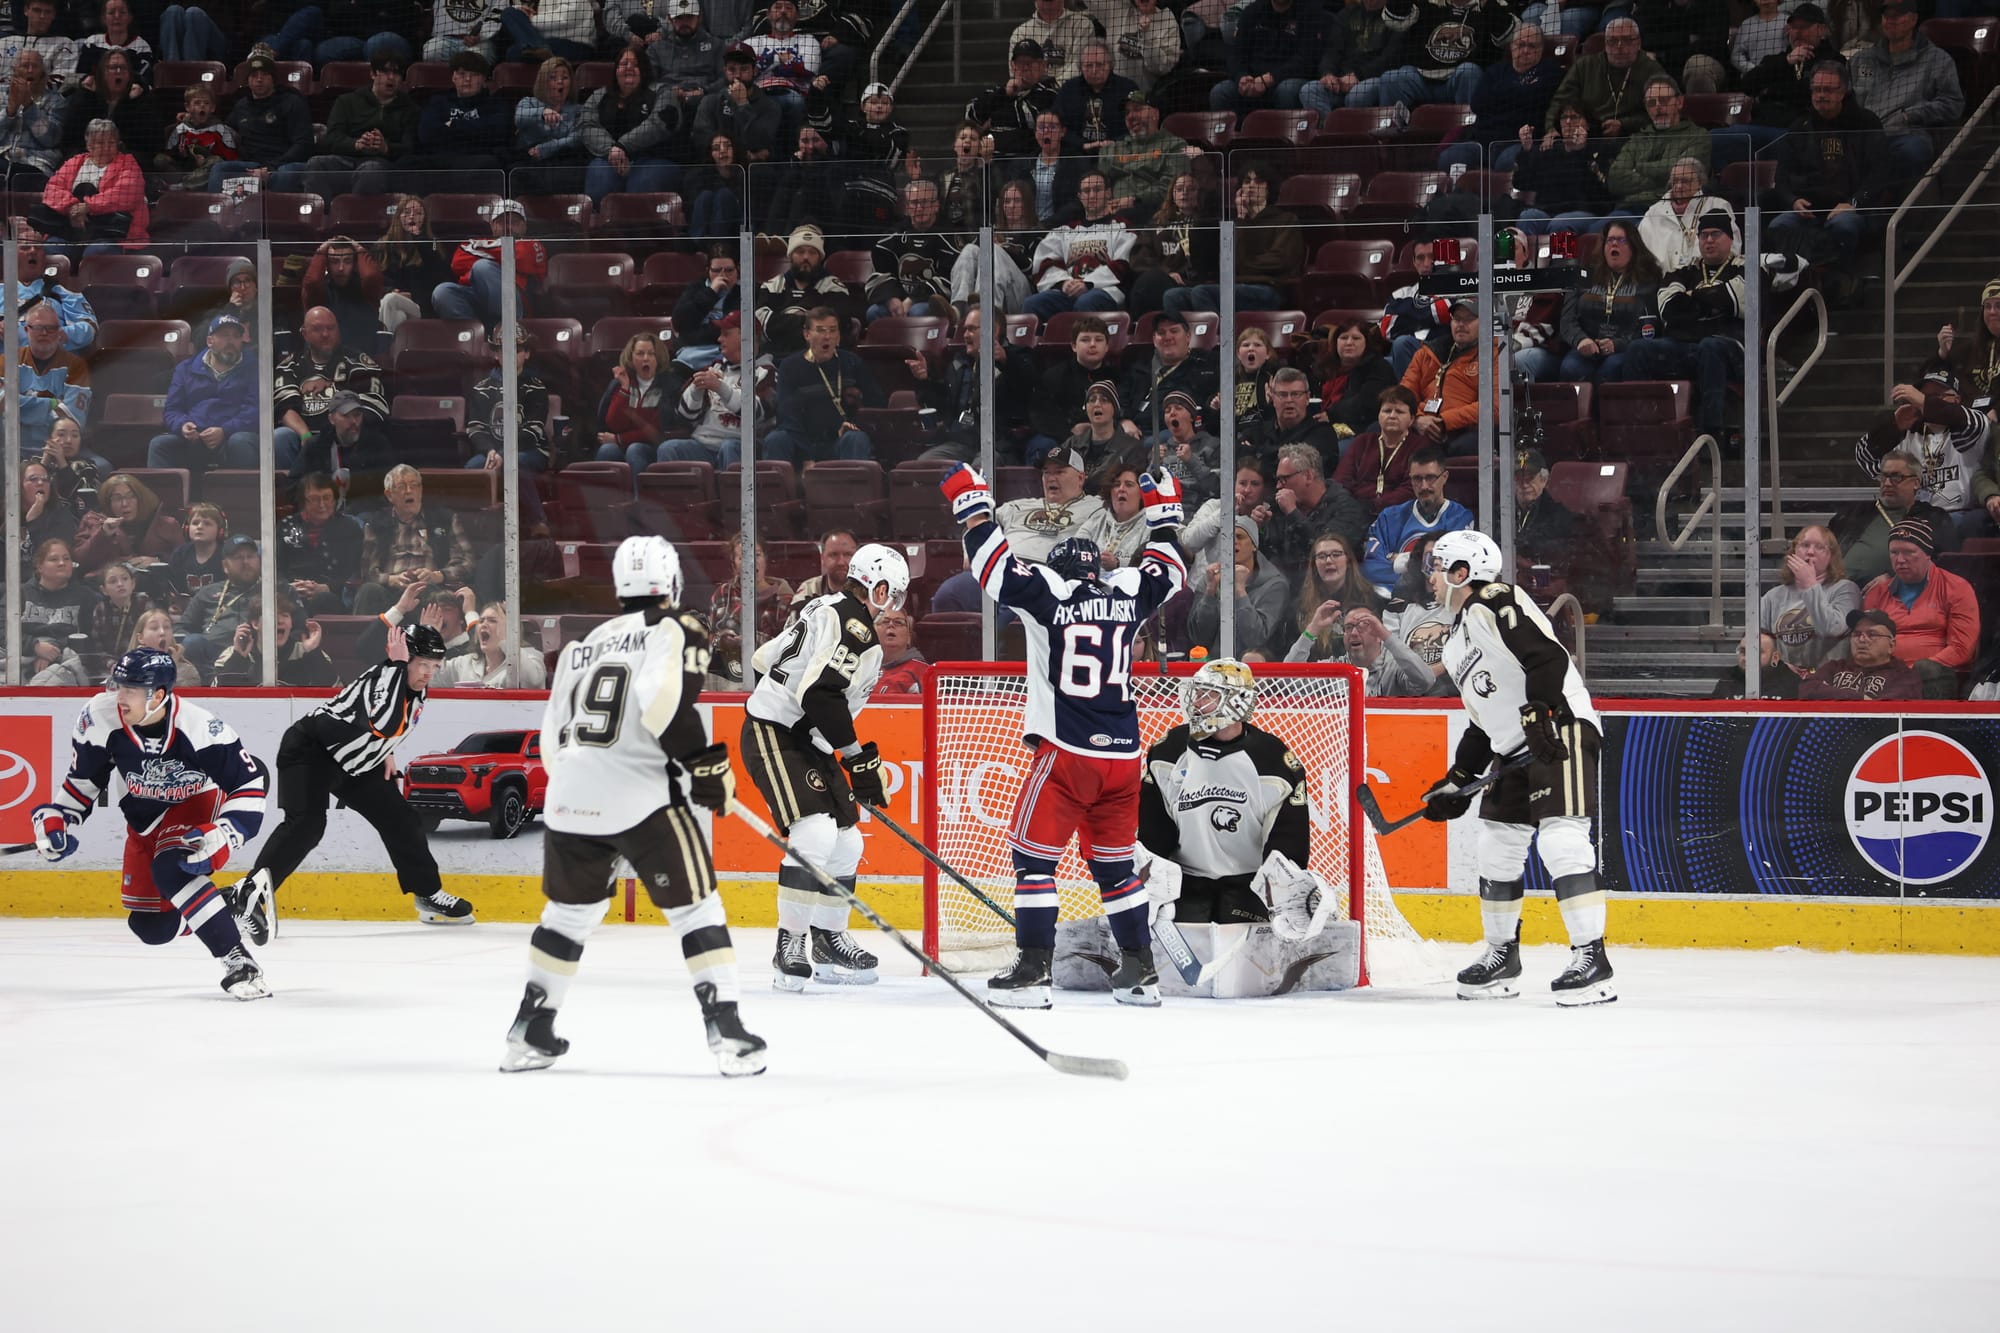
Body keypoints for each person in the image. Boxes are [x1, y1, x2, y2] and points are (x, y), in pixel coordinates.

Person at [500, 535, 762, 1074]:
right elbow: (661, 703)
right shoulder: (677, 627)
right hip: (641, 798)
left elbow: (553, 738)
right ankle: (728, 1032)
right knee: (697, 909)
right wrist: (706, 767)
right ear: (670, 582)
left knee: (568, 916)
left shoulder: (582, 644)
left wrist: (583, 785)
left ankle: (530, 1028)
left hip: (569, 797)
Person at [941, 462, 1189, 1007]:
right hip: (1125, 756)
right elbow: (1169, 570)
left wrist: (974, 505)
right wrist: (1164, 516)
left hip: (1068, 753)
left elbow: (992, 570)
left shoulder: (1049, 592)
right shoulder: (1125, 592)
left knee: (1033, 861)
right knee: (1113, 866)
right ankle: (1139, 968)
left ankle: (1033, 970)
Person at [1421, 529, 1613, 1004]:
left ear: (1460, 572)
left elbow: (1546, 656)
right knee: (1495, 848)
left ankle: (1593, 959)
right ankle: (1500, 956)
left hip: (1560, 727)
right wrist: (1457, 781)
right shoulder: (1453, 644)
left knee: (1562, 839)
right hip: (1513, 747)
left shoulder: (1493, 599)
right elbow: (1480, 726)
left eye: (1437, 565)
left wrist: (1542, 710)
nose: (1429, 576)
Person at [33, 649, 271, 999]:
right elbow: (84, 781)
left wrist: (226, 833)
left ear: (158, 695)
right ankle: (230, 902)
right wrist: (59, 818)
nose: (120, 697)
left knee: (171, 868)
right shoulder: (99, 717)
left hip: (195, 804)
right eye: (119, 686)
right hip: (143, 817)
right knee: (153, 928)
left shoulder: (199, 726)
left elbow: (250, 784)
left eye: (131, 690)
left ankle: (239, 963)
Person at [740, 543, 908, 990]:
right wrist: (855, 755)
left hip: (807, 738)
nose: (893, 603)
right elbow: (819, 696)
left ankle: (828, 939)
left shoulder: (822, 604)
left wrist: (829, 740)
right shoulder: (855, 626)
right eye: (894, 592)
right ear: (880, 586)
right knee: (813, 832)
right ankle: (789, 942)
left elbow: (763, 658)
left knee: (848, 842)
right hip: (775, 732)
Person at [228, 622, 460, 944]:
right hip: (309, 750)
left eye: (435, 666)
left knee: (401, 819)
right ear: (403, 657)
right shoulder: (385, 677)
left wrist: (387, 754)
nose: (428, 673)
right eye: (423, 664)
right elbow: (385, 722)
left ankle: (428, 894)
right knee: (307, 825)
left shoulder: (414, 687)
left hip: (354, 763)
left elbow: (391, 729)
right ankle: (248, 893)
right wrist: (394, 664)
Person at [1624, 209, 1745, 447]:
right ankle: (1641, 432)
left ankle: (1711, 437)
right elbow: (1669, 308)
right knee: (1639, 349)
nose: (1709, 240)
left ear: (1730, 238)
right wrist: (1712, 303)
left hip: (1731, 348)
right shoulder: (1683, 271)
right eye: (1704, 235)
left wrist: (1691, 299)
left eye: (1716, 234)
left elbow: (1737, 301)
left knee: (1710, 347)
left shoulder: (1745, 268)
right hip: (1686, 345)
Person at [1853, 364, 1992, 538]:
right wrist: (1893, 427)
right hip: (1915, 518)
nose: (1922, 401)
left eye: (1936, 395)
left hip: (1959, 516)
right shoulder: (1909, 435)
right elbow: (1865, 458)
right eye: (1923, 396)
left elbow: (1965, 420)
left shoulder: (1968, 428)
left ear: (1956, 399)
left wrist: (1925, 403)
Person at [1520, 217, 1659, 385]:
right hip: (1586, 345)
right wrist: (1580, 340)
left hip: (1623, 347)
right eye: (1610, 240)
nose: (1614, 244)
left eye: (1621, 240)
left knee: (1611, 369)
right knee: (1571, 368)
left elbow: (1649, 325)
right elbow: (1567, 319)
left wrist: (1618, 344)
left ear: (1633, 247)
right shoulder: (1584, 276)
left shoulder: (1647, 279)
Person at [1847, 0, 1963, 192]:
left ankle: (1902, 211)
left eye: (1898, 15)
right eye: (1887, 16)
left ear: (1913, 19)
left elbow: (1953, 103)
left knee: (1912, 150)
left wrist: (1911, 115)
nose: (1891, 21)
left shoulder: (1937, 59)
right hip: (1864, 135)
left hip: (1906, 134)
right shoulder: (1861, 60)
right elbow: (1847, 102)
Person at [1859, 519, 1981, 694]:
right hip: (1885, 677)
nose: (1900, 560)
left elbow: (1962, 648)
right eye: (1894, 552)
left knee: (1926, 669)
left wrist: (1912, 672)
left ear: (1927, 554)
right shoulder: (1877, 594)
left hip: (1937, 677)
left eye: (1909, 552)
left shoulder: (1957, 588)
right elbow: (1866, 643)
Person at [1163, 164, 1299, 316]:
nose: (1251, 186)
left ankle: (1219, 338)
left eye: (1258, 181)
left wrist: (1240, 264)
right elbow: (1225, 260)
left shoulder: (1286, 219)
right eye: (1247, 182)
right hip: (1232, 285)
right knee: (1173, 296)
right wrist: (1241, 217)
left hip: (1267, 288)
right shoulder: (1235, 223)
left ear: (1269, 188)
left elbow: (1280, 260)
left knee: (1201, 292)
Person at [272, 305, 389, 474]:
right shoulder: (290, 365)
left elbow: (373, 408)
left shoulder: (358, 362)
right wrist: (305, 436)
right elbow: (284, 408)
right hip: (303, 438)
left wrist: (334, 434)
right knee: (280, 437)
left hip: (344, 437)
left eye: (331, 328)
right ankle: (291, 491)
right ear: (304, 334)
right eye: (318, 329)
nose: (326, 334)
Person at [146, 313, 260, 484]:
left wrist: (224, 430)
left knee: (241, 442)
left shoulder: (254, 368)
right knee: (160, 444)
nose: (231, 341)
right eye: (224, 336)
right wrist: (183, 425)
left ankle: (243, 504)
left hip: (232, 435)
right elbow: (172, 410)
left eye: (236, 336)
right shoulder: (185, 369)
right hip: (194, 437)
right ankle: (164, 505)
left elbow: (255, 410)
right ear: (209, 341)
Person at [1352, 0, 1522, 110]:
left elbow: (1509, 37)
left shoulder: (1493, 4)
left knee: (1469, 71)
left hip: (1460, 77)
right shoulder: (1429, 3)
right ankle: (1394, 138)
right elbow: (1394, 21)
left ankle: (1469, 131)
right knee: (1393, 78)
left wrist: (1488, 5)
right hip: (1421, 78)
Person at [765, 306, 882, 465]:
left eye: (832, 330)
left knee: (856, 437)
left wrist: (854, 424)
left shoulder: (852, 363)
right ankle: (776, 489)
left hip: (839, 441)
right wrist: (807, 456)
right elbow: (787, 416)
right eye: (820, 330)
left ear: (838, 335)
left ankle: (854, 490)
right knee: (776, 439)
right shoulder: (790, 367)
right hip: (801, 443)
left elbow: (876, 403)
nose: (827, 336)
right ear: (807, 334)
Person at [1439, 22, 1562, 174]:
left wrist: (1501, 97)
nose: (1525, 51)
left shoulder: (1550, 71)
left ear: (1541, 49)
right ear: (1511, 46)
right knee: (1450, 157)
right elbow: (1478, 104)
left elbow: (1538, 100)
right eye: (1521, 45)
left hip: (1519, 143)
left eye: (1532, 46)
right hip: (1483, 142)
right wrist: (1522, 93)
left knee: (1508, 163)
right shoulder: (1495, 72)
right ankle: (1463, 195)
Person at [289, 54, 418, 198]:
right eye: (386, 72)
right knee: (316, 164)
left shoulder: (409, 108)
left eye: (396, 73)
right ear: (373, 74)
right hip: (346, 159)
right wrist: (356, 144)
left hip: (383, 163)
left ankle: (360, 218)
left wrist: (386, 147)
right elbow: (331, 138)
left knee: (370, 170)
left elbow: (410, 147)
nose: (391, 77)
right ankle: (320, 216)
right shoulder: (347, 101)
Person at [1831, 447, 1960, 588]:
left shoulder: (1933, 518)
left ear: (1916, 483)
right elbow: (1826, 546)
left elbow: (1942, 562)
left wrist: (1894, 577)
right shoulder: (1856, 513)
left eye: (1896, 477)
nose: (1887, 483)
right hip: (1835, 589)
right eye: (1884, 477)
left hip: (1894, 596)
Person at [1023, 171, 1136, 319]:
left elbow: (1122, 265)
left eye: (1097, 190)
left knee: (1086, 301)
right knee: (1033, 303)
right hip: (1068, 292)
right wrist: (1064, 282)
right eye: (1086, 191)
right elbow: (1045, 263)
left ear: (1108, 193)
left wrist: (1088, 284)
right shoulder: (1064, 231)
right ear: (1080, 197)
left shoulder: (1122, 227)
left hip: (1105, 291)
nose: (1092, 195)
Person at [1362, 447, 1473, 593]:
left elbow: (1451, 570)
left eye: (1431, 478)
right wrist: (1424, 565)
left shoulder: (1459, 518)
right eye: (1417, 479)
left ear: (1444, 477)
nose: (1424, 486)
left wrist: (1399, 561)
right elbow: (1370, 567)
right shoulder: (1389, 517)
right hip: (1390, 601)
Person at [1400, 298, 1499, 458]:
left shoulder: (1495, 354)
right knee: (1377, 430)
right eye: (1457, 319)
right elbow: (1403, 396)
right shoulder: (1426, 353)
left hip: (1465, 429)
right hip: (1423, 424)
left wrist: (1443, 421)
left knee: (1463, 446)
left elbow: (1495, 407)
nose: (1461, 324)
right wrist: (1417, 419)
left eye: (1469, 319)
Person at [35, 120, 149, 255]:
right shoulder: (74, 162)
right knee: (51, 249)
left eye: (111, 143)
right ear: (89, 144)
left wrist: (88, 207)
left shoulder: (128, 164)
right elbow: (52, 189)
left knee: (97, 253)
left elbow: (127, 194)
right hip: (70, 228)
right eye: (100, 143)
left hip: (111, 233)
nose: (106, 148)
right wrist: (72, 207)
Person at [584, 47, 684, 199]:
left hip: (655, 159)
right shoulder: (599, 96)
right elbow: (587, 126)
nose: (629, 67)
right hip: (609, 157)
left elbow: (658, 124)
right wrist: (612, 151)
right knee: (600, 180)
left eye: (635, 64)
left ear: (644, 70)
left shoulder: (663, 92)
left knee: (641, 187)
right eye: (624, 64)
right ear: (616, 70)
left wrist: (622, 145)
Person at [432, 199, 548, 327]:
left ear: (524, 226)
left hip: (516, 305)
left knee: (482, 267)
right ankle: (475, 335)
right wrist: (501, 256)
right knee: (442, 292)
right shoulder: (478, 241)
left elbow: (521, 256)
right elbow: (457, 263)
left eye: (514, 222)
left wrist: (481, 252)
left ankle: (506, 331)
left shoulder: (533, 244)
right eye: (502, 222)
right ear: (492, 225)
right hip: (478, 297)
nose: (508, 227)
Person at [1761, 524, 1860, 673]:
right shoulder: (1773, 596)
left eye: (1820, 547)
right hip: (1784, 681)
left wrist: (1810, 585)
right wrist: (1780, 667)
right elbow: (1759, 643)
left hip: (1830, 680)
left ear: (1831, 556)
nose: (1810, 552)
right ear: (1794, 551)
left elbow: (1831, 629)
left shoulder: (1845, 589)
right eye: (1805, 545)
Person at [1261, 442, 1371, 577]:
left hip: (1334, 589)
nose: (1278, 486)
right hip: (1288, 587)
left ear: (1308, 476)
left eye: (1284, 479)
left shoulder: (1347, 509)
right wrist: (1260, 528)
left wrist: (1293, 513)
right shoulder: (1280, 508)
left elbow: (1324, 551)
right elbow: (1272, 554)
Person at [1189, 514, 1291, 658]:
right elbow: (1199, 637)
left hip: (1256, 670)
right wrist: (1210, 592)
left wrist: (1240, 592)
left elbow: (1255, 638)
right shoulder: (1209, 579)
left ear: (1254, 545)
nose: (1233, 542)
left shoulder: (1275, 585)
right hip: (1214, 668)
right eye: (1228, 537)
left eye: (1240, 537)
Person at [1546, 15, 1664, 139]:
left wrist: (1624, 124)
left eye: (1627, 40)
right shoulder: (1585, 66)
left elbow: (1665, 112)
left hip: (1637, 136)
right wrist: (1550, 129)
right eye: (1612, 41)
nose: (1619, 47)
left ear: (1638, 43)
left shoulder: (1651, 69)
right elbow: (1559, 100)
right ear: (1605, 43)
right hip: (1589, 137)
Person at [998, 443, 1107, 562]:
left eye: (1059, 472)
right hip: (1004, 566)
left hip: (1052, 572)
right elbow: (979, 522)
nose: (1050, 478)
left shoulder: (1096, 507)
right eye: (1046, 472)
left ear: (1080, 478)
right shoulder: (1017, 506)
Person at [1211, 0, 1323, 114]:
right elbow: (1236, 54)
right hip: (1253, 80)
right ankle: (1238, 131)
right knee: (1220, 92)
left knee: (1286, 90)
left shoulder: (1309, 12)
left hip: (1286, 78)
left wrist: (1270, 78)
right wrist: (1241, 77)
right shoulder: (1253, 11)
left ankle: (1286, 131)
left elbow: (1306, 59)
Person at [1284, 532, 1382, 661]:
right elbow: (1289, 664)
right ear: (1314, 564)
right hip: (1317, 676)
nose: (1329, 561)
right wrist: (1312, 629)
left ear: (1348, 561)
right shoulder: (1299, 607)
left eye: (1336, 554)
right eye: (1322, 556)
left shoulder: (1371, 599)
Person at [279, 473, 364, 615]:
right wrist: (288, 588)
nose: (322, 505)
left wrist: (328, 587)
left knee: (323, 599)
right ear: (303, 501)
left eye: (327, 498)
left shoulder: (350, 528)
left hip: (335, 598)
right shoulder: (286, 527)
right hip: (291, 595)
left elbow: (356, 572)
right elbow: (275, 568)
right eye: (314, 499)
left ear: (335, 499)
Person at [208, 596, 337, 688]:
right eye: (273, 615)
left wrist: (313, 654)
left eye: (285, 615)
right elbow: (216, 697)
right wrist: (238, 658)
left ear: (291, 624)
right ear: (256, 624)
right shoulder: (233, 653)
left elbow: (335, 694)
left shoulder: (306, 652)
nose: (280, 621)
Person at [1637, 155, 1736, 275]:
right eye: (1675, 181)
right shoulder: (1654, 213)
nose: (1679, 186)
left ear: (1700, 182)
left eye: (1685, 181)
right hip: (1660, 284)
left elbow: (1733, 248)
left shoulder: (1717, 206)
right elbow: (1639, 255)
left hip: (1706, 280)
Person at [14, 301, 90, 455]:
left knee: (102, 467)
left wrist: (20, 411)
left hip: (58, 452)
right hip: (11, 448)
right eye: (38, 327)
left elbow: (71, 417)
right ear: (26, 329)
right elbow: (3, 403)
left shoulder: (76, 366)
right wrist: (53, 404)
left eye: (51, 328)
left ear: (59, 332)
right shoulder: (7, 361)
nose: (44, 333)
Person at [1335, 385, 1423, 516]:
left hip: (1398, 514)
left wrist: (1373, 506)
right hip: (1353, 511)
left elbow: (1410, 489)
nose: (1392, 416)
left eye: (1399, 412)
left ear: (1411, 419)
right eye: (1387, 411)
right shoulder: (1362, 442)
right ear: (1379, 416)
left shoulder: (1420, 446)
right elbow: (1341, 480)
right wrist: (1351, 506)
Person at [1796, 609, 1922, 701]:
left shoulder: (1904, 676)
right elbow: (1807, 689)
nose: (1862, 640)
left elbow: (1885, 709)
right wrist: (1859, 698)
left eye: (1872, 634)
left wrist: (1831, 694)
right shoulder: (1835, 667)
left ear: (1891, 645)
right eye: (1856, 634)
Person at [374, 195, 455, 332]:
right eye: (407, 212)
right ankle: (394, 349)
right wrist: (391, 290)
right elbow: (374, 279)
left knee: (390, 299)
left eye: (418, 213)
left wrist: (420, 240)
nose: (412, 217)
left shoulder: (433, 244)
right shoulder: (382, 245)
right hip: (389, 303)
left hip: (419, 307)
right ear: (398, 217)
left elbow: (440, 278)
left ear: (424, 219)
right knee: (397, 314)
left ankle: (383, 347)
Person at [72, 472, 179, 573]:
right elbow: (79, 561)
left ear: (140, 498)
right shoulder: (93, 522)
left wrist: (158, 560)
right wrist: (102, 534)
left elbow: (185, 559)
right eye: (117, 498)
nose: (125, 504)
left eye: (131, 496)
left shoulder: (167, 525)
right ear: (108, 502)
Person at [594, 330, 671, 468]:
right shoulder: (620, 384)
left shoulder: (668, 385)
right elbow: (613, 424)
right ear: (631, 358)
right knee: (607, 450)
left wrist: (619, 439)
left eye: (651, 354)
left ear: (658, 358)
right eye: (640, 353)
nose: (645, 358)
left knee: (635, 449)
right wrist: (625, 389)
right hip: (623, 445)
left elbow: (656, 431)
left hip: (654, 447)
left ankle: (640, 490)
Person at [433, 602, 548, 689]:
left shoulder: (530, 656)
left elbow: (532, 681)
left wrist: (505, 639)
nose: (484, 625)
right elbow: (428, 679)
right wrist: (426, 638)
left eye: (492, 621)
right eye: (481, 620)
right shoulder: (465, 663)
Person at [0, 48, 66, 192]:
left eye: (35, 66)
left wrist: (29, 106)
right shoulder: (1, 96)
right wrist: (10, 111)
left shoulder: (55, 101)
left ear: (42, 71)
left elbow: (50, 139)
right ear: (15, 69)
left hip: (36, 165)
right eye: (25, 65)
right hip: (3, 158)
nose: (30, 70)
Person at [22, 536, 98, 649]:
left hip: (66, 657)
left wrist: (52, 649)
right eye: (54, 559)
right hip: (21, 655)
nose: (62, 563)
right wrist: (35, 646)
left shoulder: (85, 596)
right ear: (39, 566)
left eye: (67, 558)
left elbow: (88, 638)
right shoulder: (20, 593)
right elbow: (3, 631)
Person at [785, 529, 858, 617]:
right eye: (833, 555)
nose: (841, 562)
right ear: (822, 558)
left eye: (848, 555)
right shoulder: (810, 588)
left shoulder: (869, 591)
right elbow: (792, 627)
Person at [1711, 630, 1800, 700]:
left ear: (1775, 657)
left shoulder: (1791, 682)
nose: (1746, 658)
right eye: (1743, 651)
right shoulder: (1728, 678)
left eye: (1756, 652)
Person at [873, 607, 930, 694]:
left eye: (898, 622)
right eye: (885, 621)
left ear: (909, 638)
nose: (891, 625)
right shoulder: (859, 667)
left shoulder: (922, 672)